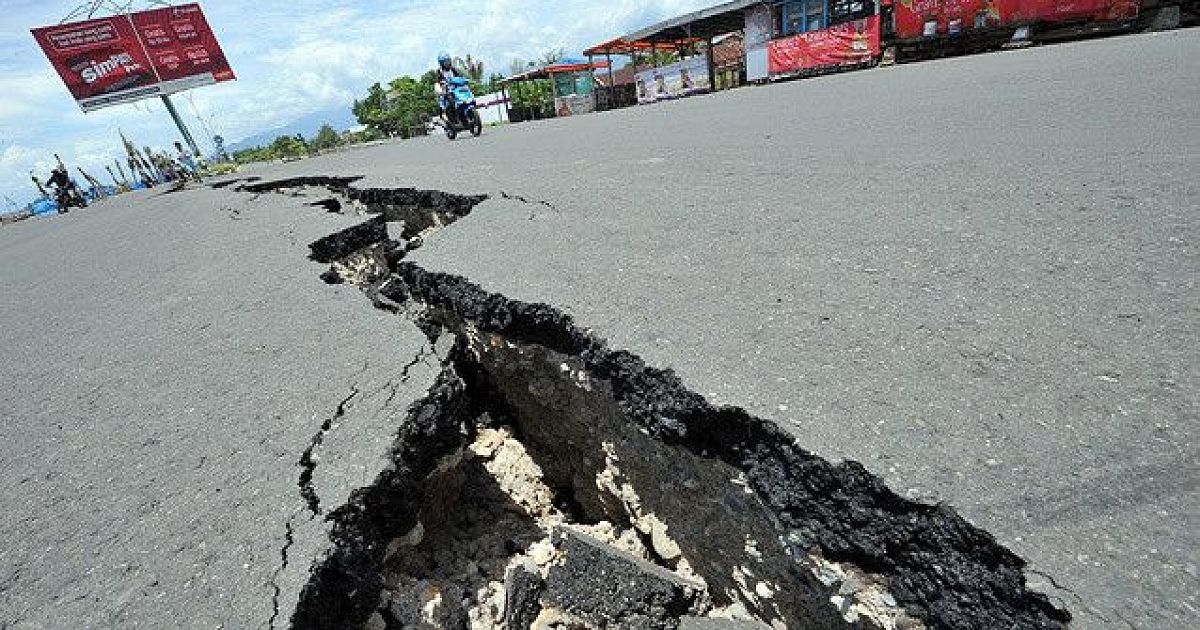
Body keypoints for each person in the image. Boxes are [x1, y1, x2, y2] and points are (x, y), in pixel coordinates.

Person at [433, 52, 463, 126]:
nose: (447, 63)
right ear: (441, 63)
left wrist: (463, 80)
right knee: (451, 102)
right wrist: (442, 86)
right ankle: (454, 120)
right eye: (445, 62)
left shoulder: (453, 69)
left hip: (457, 90)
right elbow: (438, 82)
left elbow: (459, 77)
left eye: (448, 61)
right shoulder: (439, 72)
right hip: (447, 92)